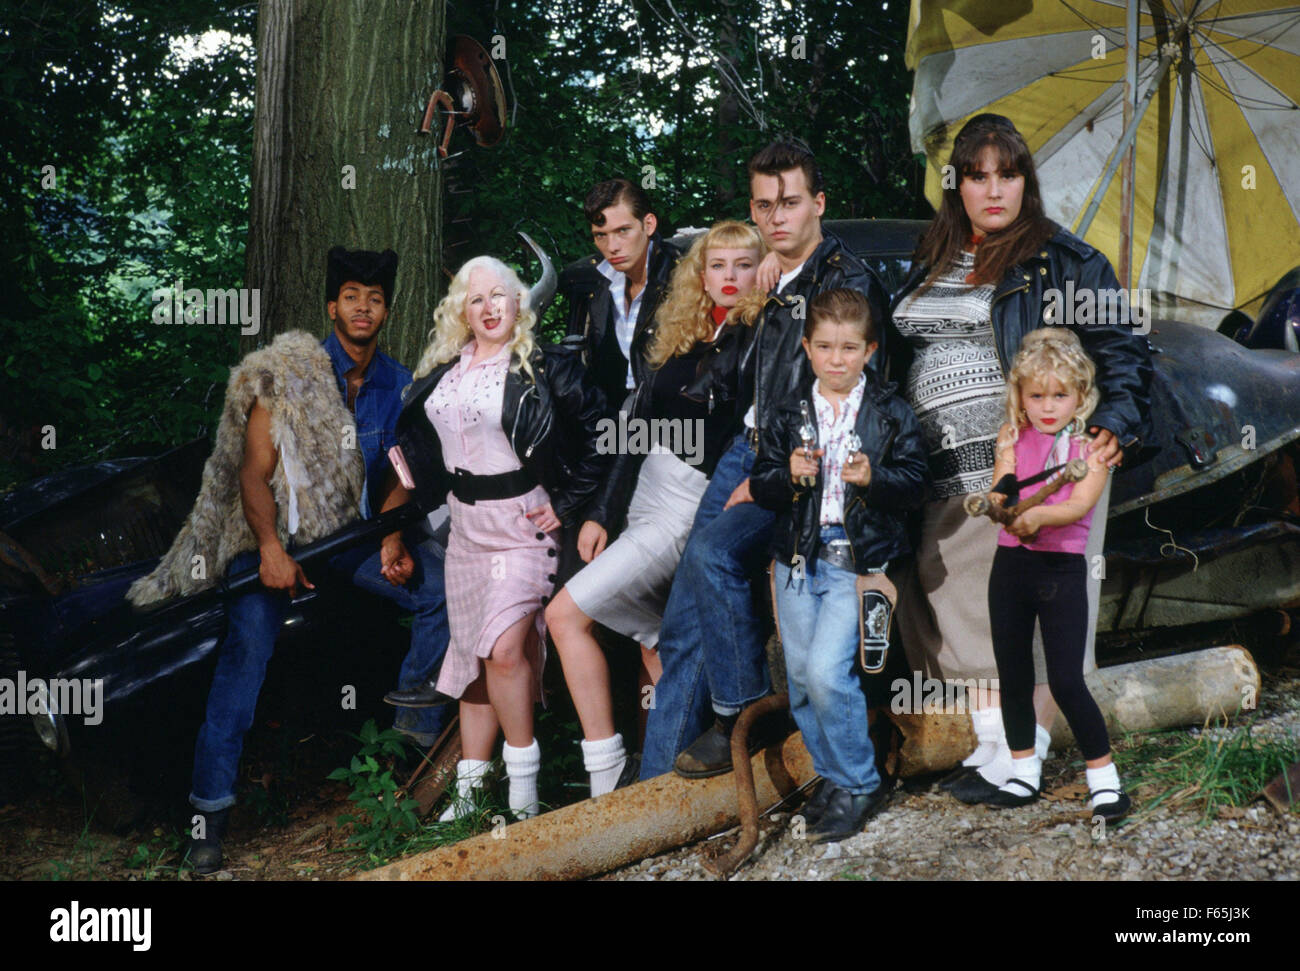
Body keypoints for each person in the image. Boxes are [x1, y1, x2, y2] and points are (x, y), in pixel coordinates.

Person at [129, 248, 453, 874]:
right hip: (274, 541)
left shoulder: (398, 381)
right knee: (242, 668)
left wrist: (390, 538)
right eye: (352, 295)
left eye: (376, 297)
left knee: (440, 588)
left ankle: (409, 740)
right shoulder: (288, 374)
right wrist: (273, 550)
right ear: (332, 307)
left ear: (387, 309)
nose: (364, 306)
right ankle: (208, 821)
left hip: (353, 540)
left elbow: (399, 470)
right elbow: (254, 474)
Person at [887, 114, 1152, 804]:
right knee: (958, 614)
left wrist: (1115, 423)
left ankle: (1017, 764)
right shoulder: (934, 254)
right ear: (959, 186)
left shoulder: (1066, 259)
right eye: (977, 175)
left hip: (1034, 466)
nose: (993, 188)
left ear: (1026, 183)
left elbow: (1123, 349)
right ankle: (993, 750)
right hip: (940, 474)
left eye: (1007, 173)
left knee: (1026, 620)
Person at [643, 138, 890, 781]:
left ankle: (741, 712)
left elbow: (854, 401)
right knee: (681, 624)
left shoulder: (848, 283)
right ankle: (648, 789)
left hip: (798, 463)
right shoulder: (772, 277)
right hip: (743, 448)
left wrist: (764, 479)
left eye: (790, 202)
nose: (776, 217)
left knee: (715, 554)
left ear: (818, 204)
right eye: (763, 206)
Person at [544, 220, 765, 796]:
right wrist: (599, 513)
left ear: (760, 270)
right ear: (700, 271)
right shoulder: (685, 328)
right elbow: (636, 426)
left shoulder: (762, 336)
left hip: (690, 502)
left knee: (564, 616)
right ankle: (665, 784)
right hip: (645, 492)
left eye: (743, 265)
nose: (729, 277)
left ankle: (606, 777)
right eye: (717, 265)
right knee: (658, 641)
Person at [394, 256, 608, 820]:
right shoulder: (444, 370)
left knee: (505, 650)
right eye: (477, 299)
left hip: (521, 525)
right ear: (461, 311)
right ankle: (469, 793)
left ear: (520, 304)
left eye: (500, 297)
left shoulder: (546, 365)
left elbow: (602, 436)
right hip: (465, 530)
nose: (489, 309)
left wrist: (565, 504)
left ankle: (522, 789)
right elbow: (419, 446)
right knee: (471, 660)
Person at [751, 288, 928, 841]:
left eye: (849, 348)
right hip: (797, 561)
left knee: (830, 674)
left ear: (870, 351)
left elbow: (917, 483)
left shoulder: (890, 413)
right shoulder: (787, 413)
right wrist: (788, 475)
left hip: (856, 564)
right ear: (807, 348)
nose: (836, 359)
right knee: (802, 681)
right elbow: (760, 485)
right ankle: (832, 775)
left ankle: (859, 780)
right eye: (824, 347)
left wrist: (875, 479)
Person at [979, 329, 1130, 821]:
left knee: (1065, 679)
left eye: (1060, 395)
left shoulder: (1092, 451)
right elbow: (1003, 488)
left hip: (1061, 569)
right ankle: (1023, 771)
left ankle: (1104, 780)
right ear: (1020, 395)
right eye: (1037, 395)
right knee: (1014, 672)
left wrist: (1038, 518)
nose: (1047, 406)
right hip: (1011, 569)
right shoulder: (1012, 437)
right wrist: (1001, 506)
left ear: (1081, 397)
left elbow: (1079, 504)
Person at [558, 178, 682, 410]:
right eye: (600, 235)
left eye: (623, 231)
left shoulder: (685, 277)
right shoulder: (597, 283)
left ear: (649, 224)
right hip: (618, 422)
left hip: (679, 424)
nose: (612, 246)